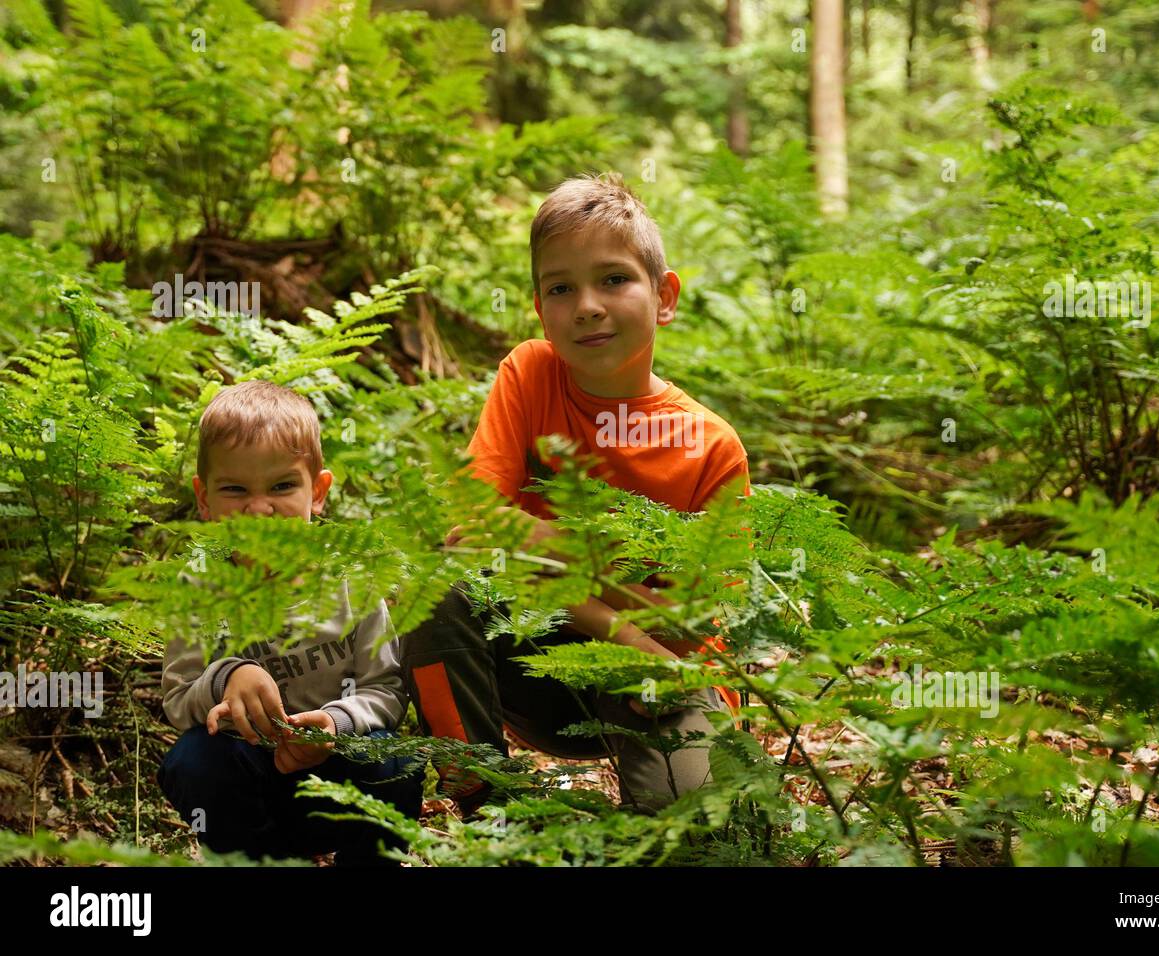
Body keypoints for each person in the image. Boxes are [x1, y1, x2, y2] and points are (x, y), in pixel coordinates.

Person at [400, 173, 750, 815]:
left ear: (664, 295)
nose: (586, 305)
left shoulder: (711, 446)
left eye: (614, 279)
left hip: (663, 683)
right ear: (541, 309)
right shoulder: (531, 373)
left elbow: (698, 625)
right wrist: (622, 613)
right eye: (561, 288)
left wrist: (551, 556)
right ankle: (486, 809)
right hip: (540, 671)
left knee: (688, 829)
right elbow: (470, 535)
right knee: (437, 590)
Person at [158, 380, 422, 864]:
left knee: (399, 761)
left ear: (318, 492)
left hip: (341, 782)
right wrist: (225, 678)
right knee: (193, 759)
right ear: (204, 499)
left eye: (282, 486)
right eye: (235, 489)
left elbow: (386, 689)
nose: (260, 508)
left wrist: (336, 724)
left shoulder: (352, 578)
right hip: (248, 786)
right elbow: (179, 701)